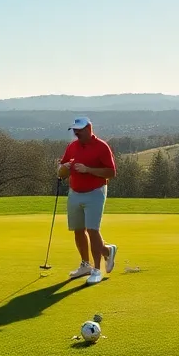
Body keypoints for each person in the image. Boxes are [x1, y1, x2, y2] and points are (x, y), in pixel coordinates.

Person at [57, 116, 118, 285]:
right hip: (75, 192)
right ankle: (88, 263)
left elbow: (111, 172)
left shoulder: (101, 147)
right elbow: (60, 172)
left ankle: (97, 269)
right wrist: (64, 168)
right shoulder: (72, 147)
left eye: (80, 130)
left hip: (95, 192)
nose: (76, 133)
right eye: (74, 130)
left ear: (89, 129)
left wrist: (88, 170)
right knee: (78, 230)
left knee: (92, 230)